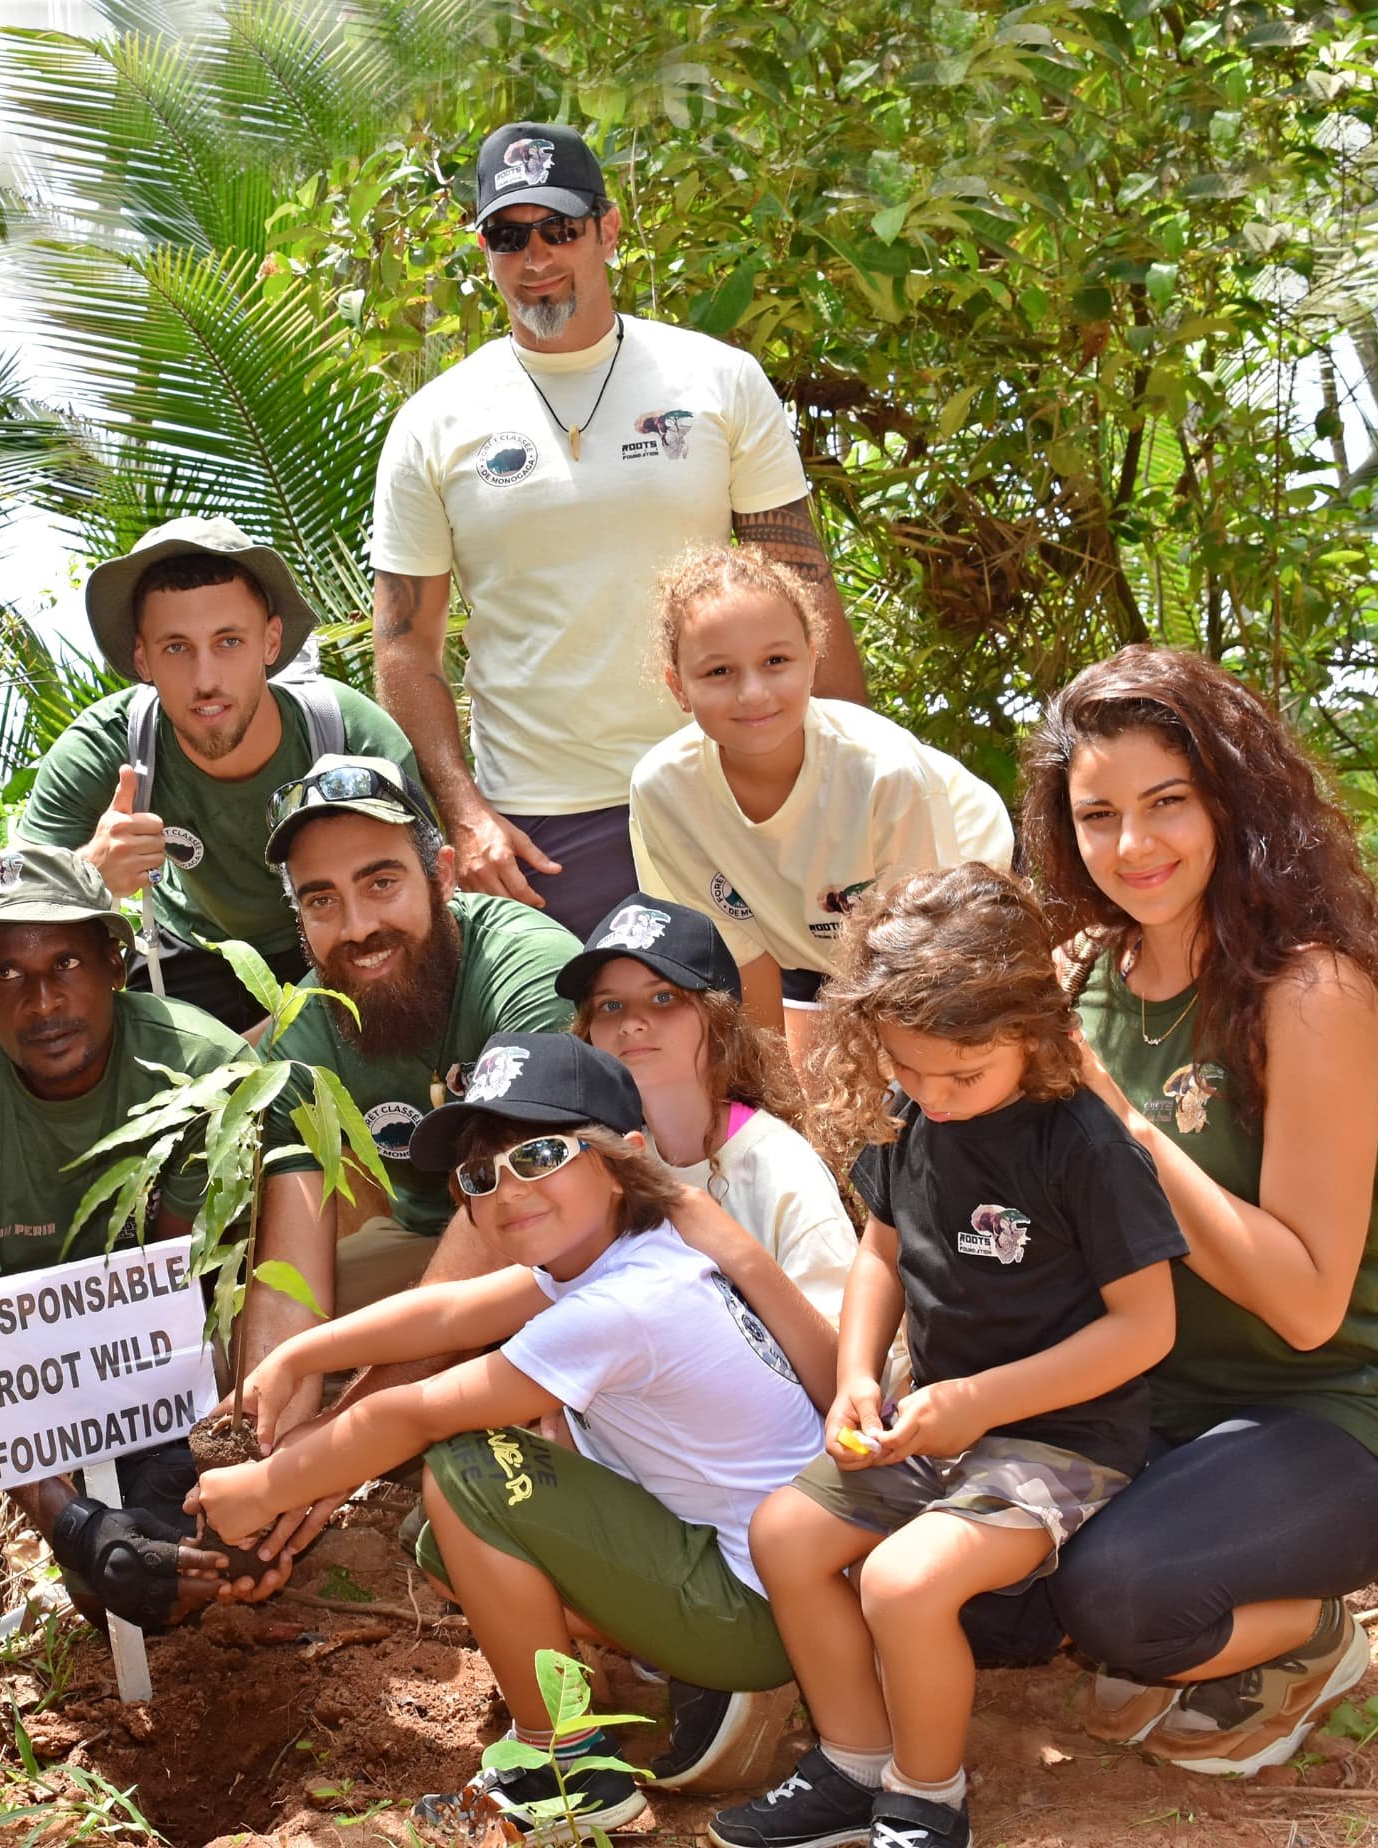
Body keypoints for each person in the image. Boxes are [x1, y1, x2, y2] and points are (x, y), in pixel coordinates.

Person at [192, 1034, 832, 1833]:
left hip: (760, 1611)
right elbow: (455, 1310)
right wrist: (303, 1350)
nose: (507, 1192)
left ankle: (564, 1771)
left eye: (541, 1156)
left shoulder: (620, 1306)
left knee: (469, 1471)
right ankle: (671, 1671)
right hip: (765, 1579)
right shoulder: (624, 1248)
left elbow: (414, 1412)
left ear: (624, 1156)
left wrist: (261, 1489)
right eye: (482, 1176)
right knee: (447, 1538)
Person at [1002, 645, 1378, 1776]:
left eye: (1165, 804)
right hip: (1143, 1403)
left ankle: (1310, 1631)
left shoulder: (1311, 992)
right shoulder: (1076, 974)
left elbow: (1303, 1305)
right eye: (1097, 816)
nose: (1132, 848)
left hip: (1325, 1413)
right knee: (978, 1598)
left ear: (1229, 802)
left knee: (1120, 1601)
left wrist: (1124, 1122)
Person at [708, 863, 1185, 1848]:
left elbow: (1146, 1328)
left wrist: (978, 1402)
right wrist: (852, 1377)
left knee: (902, 1582)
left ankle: (926, 1802)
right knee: (786, 1539)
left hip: (1063, 1437)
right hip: (931, 1416)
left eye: (961, 1075)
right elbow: (882, 1248)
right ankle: (852, 1763)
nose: (934, 1096)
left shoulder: (1082, 1145)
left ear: (1035, 1031)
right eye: (904, 1069)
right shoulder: (914, 1111)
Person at [369, 121, 863, 939]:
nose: (536, 259)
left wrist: (855, 771)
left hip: (729, 785)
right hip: (544, 829)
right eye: (507, 235)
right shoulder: (433, 423)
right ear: (484, 250)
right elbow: (404, 647)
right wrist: (466, 816)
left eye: (560, 229)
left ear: (608, 229)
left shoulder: (717, 379)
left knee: (773, 1053)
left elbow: (801, 584)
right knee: (579, 1063)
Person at [0, 844, 295, 1622]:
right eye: (7, 974)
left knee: (178, 1577)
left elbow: (189, 1287)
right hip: (29, 1369)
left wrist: (169, 1467)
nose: (41, 1004)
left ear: (115, 963)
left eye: (65, 963)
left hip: (166, 1349)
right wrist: (72, 1522)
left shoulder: (198, 1069)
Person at [241, 757, 583, 1435]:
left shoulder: (527, 970)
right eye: (321, 901)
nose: (358, 926)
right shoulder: (302, 1032)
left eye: (382, 883)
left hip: (570, 1246)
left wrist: (344, 1432)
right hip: (427, 1243)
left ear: (443, 876)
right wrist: (267, 1441)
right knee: (250, 1363)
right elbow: (292, 1282)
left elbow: (520, 1215)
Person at [17, 516, 417, 1031]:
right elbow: (9, 918)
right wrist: (88, 878)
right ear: (142, 657)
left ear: (271, 643)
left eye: (228, 642)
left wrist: (270, 1042)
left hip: (336, 943)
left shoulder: (349, 736)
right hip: (187, 950)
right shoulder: (106, 746)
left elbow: (429, 908)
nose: (205, 680)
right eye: (176, 648)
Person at [628, 544, 1011, 1062]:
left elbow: (919, 954)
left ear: (812, 659)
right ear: (679, 686)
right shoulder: (664, 791)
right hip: (820, 952)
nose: (753, 693)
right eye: (719, 672)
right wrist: (782, 1105)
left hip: (951, 918)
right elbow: (748, 963)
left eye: (776, 661)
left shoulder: (884, 773)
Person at [559, 892, 853, 1316]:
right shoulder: (606, 1162)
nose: (631, 1022)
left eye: (663, 997)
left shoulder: (783, 1168)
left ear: (720, 1020)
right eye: (610, 1005)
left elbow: (843, 1357)